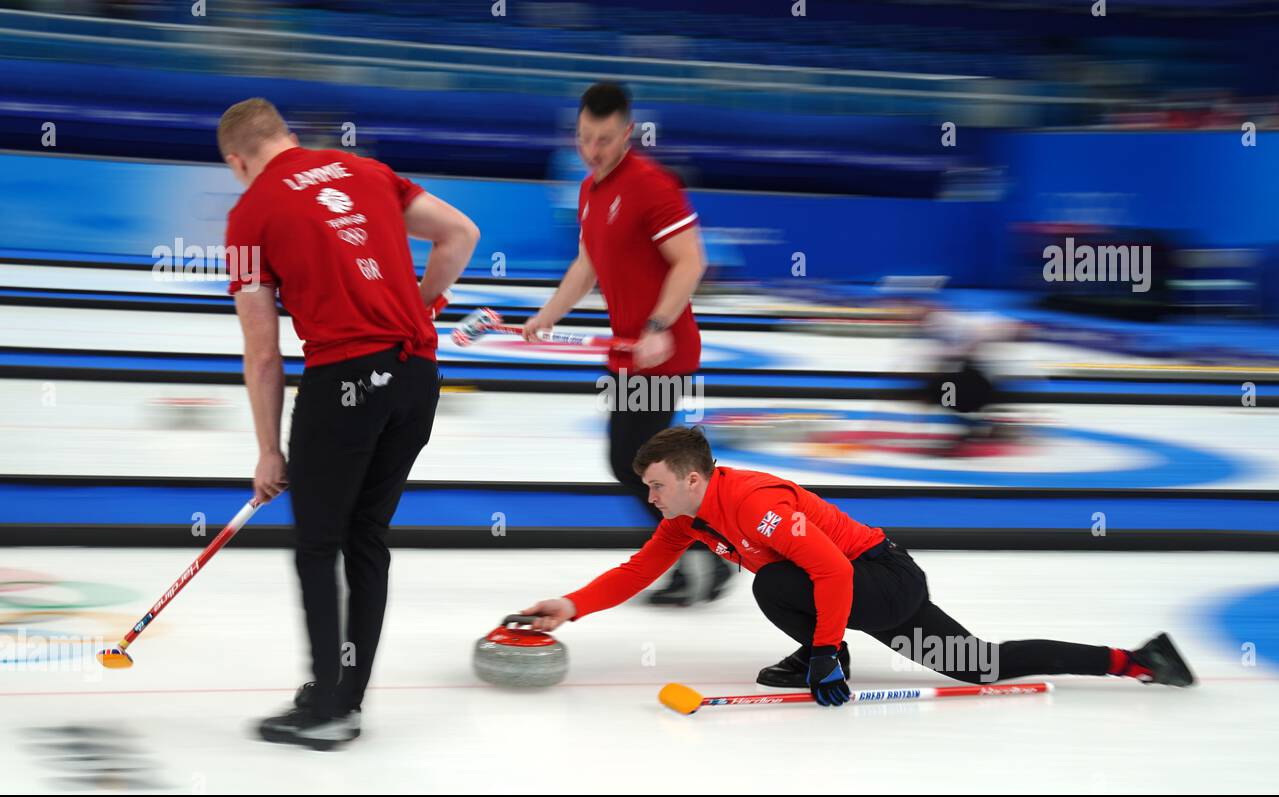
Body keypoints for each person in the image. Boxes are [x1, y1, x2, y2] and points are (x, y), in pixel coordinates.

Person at [522, 426, 1195, 703]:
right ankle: (1136, 659)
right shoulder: (687, 516)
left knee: (778, 578)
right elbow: (636, 569)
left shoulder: (751, 502)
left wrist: (821, 655)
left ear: (695, 478)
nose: (650, 496)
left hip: (880, 576)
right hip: (864, 584)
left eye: (659, 485)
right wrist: (570, 605)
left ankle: (1133, 658)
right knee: (981, 663)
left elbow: (834, 574)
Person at [220, 98, 480, 748]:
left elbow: (261, 345)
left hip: (345, 380)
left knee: (317, 543)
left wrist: (267, 450)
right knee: (366, 536)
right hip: (417, 375)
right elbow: (461, 234)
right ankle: (344, 697)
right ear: (286, 135)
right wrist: (416, 308)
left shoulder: (250, 211)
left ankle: (329, 706)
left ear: (237, 160)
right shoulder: (365, 170)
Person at [523, 82, 730, 607]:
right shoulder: (590, 190)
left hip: (664, 353)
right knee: (636, 465)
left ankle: (699, 552)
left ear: (628, 133)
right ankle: (701, 551)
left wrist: (658, 326)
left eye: (605, 139)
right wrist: (546, 317)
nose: (593, 150)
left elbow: (691, 261)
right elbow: (586, 265)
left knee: (636, 465)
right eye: (585, 137)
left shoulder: (652, 186)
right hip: (625, 354)